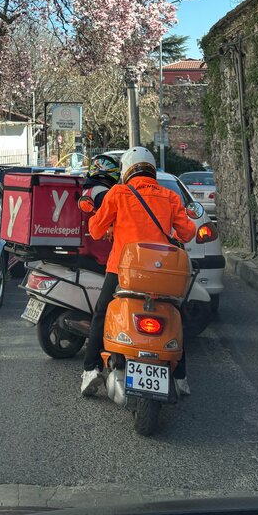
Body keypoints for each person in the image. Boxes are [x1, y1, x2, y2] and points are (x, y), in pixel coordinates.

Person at [80, 146, 195, 399]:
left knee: (101, 313)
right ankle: (180, 376)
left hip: (124, 271)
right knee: (176, 313)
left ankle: (90, 370)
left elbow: (96, 230)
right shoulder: (170, 196)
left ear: (126, 170)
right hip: (161, 273)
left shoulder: (118, 193)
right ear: (151, 169)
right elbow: (187, 233)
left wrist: (108, 222)